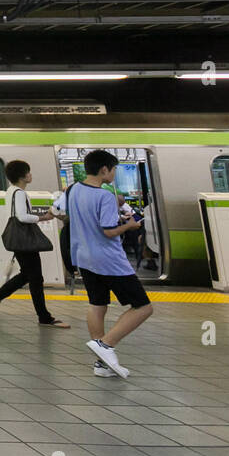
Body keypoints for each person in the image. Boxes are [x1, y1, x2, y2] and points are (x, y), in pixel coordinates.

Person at [70, 150, 154, 379]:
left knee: (97, 304)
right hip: (109, 260)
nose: (114, 173)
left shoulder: (74, 190)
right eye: (114, 169)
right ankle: (106, 345)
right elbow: (108, 231)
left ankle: (102, 364)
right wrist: (129, 226)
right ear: (104, 169)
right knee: (143, 306)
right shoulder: (105, 196)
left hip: (84, 257)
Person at [0, 160, 69, 328]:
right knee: (36, 278)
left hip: (18, 239)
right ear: (22, 176)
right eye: (28, 172)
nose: (31, 175)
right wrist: (43, 217)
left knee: (27, 275)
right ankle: (44, 317)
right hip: (25, 239)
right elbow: (22, 217)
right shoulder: (20, 193)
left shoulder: (11, 191)